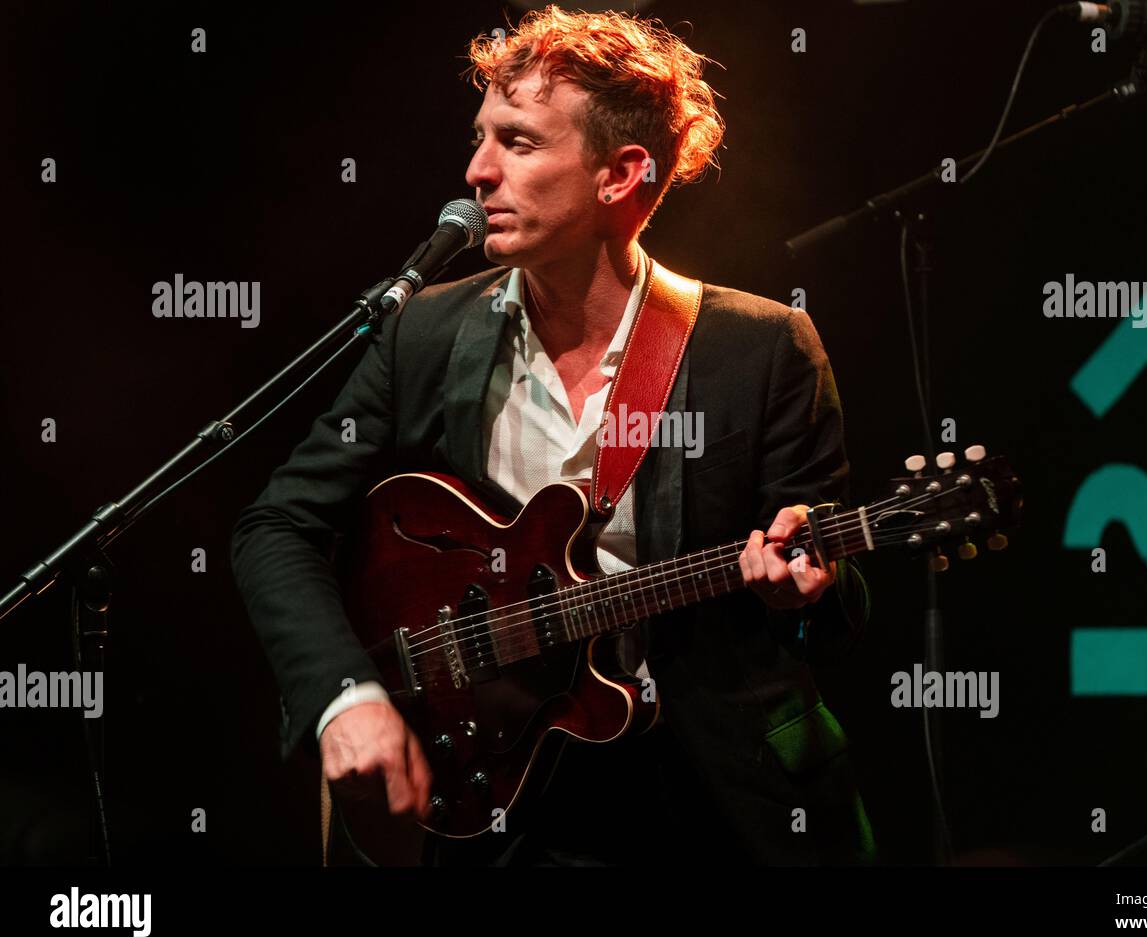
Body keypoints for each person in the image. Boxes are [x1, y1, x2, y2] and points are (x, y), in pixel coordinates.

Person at [231, 5, 874, 866]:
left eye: (519, 143)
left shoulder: (759, 351)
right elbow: (278, 526)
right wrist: (346, 696)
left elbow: (838, 593)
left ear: (621, 173)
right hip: (497, 798)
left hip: (708, 802)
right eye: (480, 137)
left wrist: (805, 590)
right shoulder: (423, 334)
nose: (476, 173)